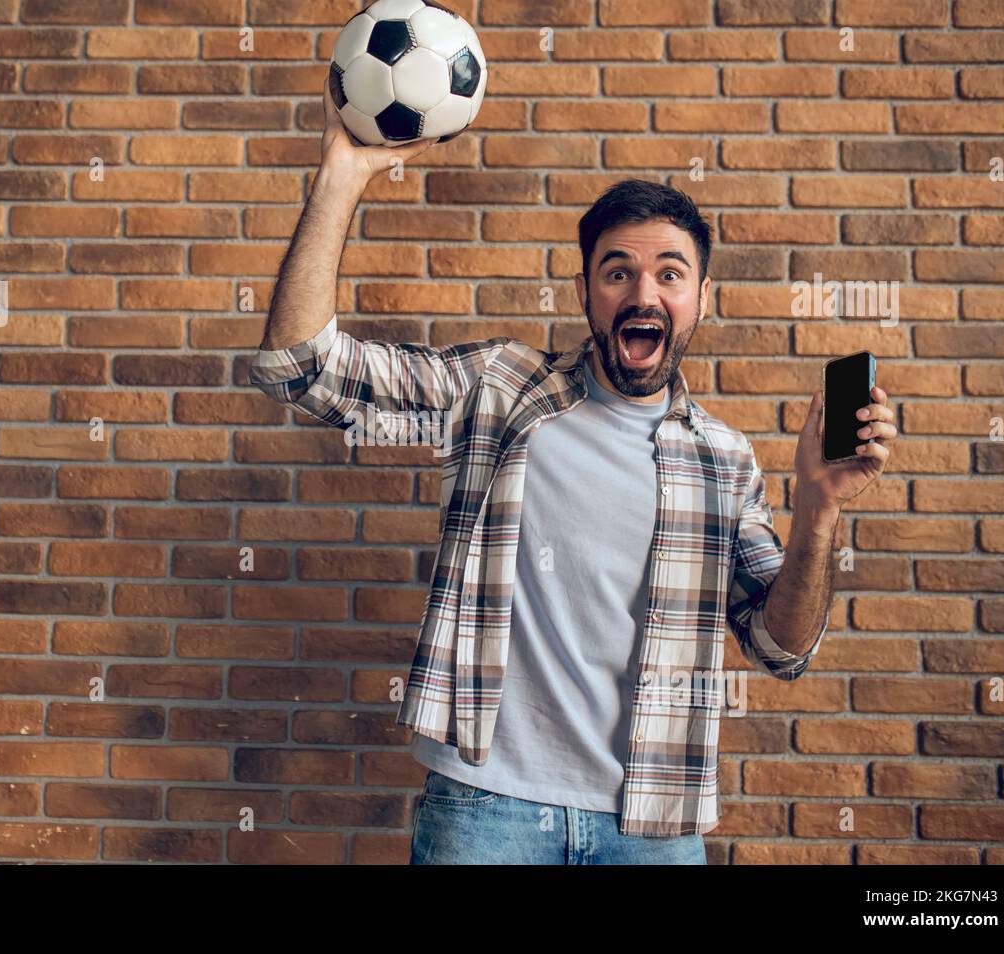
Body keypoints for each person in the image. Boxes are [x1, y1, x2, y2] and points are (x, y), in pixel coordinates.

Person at [249, 82, 896, 865]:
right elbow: (299, 366)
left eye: (669, 274)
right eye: (617, 272)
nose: (642, 292)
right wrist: (343, 173)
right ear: (586, 289)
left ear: (700, 299)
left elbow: (779, 646)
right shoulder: (497, 392)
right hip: (485, 810)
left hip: (652, 828)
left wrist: (819, 511)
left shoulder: (722, 460)